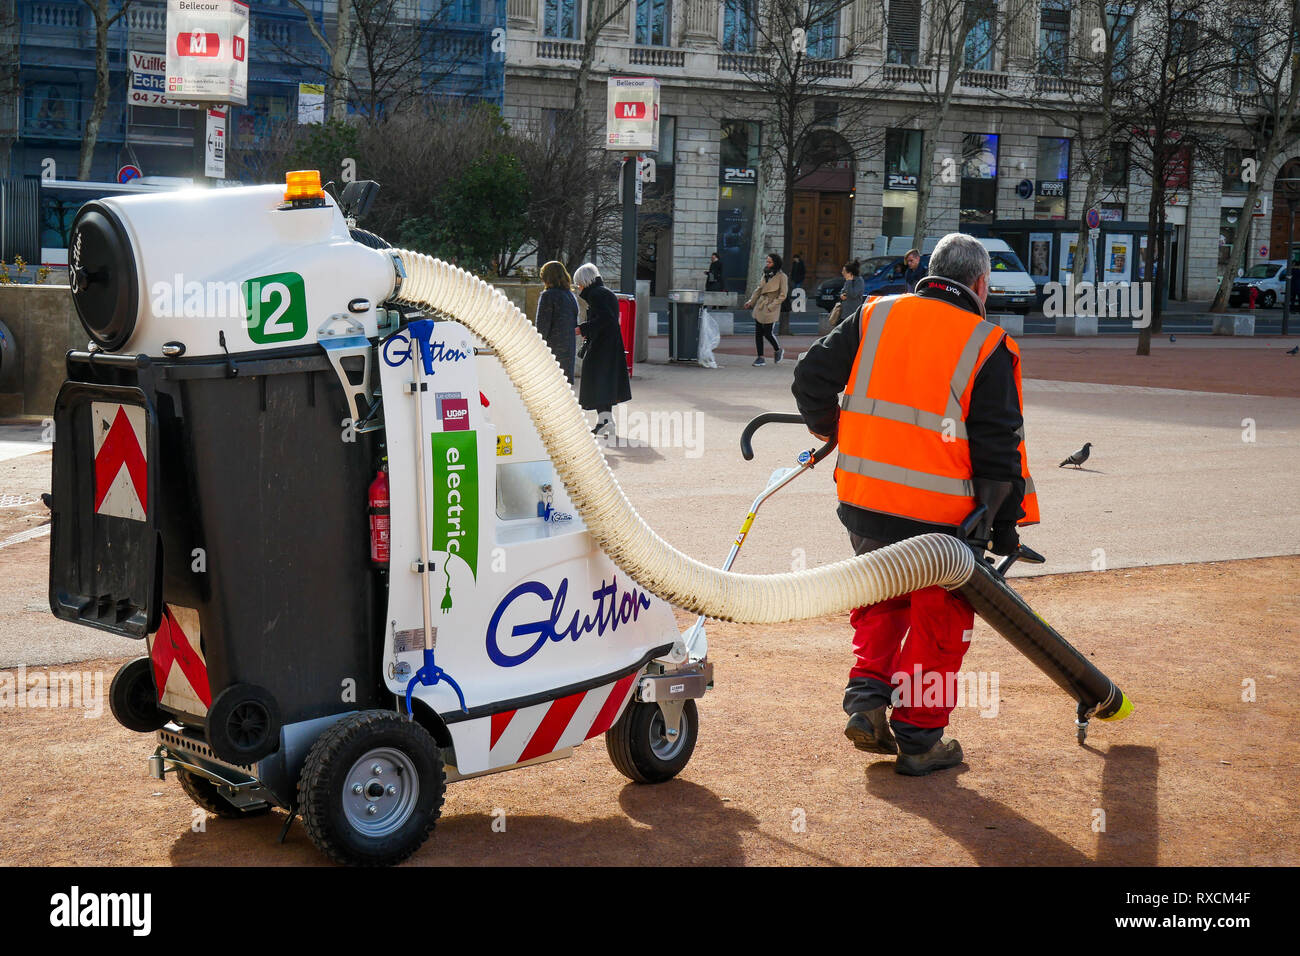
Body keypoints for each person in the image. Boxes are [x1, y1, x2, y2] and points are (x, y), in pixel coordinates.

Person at [791, 233, 1039, 776]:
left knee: (880, 596)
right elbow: (1000, 450)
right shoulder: (987, 343)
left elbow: (809, 378)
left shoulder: (874, 314)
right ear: (979, 285)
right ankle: (921, 738)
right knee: (939, 620)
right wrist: (1001, 527)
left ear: (929, 271)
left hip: (864, 502)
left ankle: (867, 702)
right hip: (942, 520)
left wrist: (834, 430)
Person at [572, 263, 632, 437]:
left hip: (602, 347)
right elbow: (609, 319)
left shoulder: (596, 295)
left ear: (585, 281)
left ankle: (605, 422)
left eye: (579, 283)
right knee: (604, 385)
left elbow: (605, 319)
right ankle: (605, 422)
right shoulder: (603, 292)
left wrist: (583, 329)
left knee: (597, 383)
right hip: (609, 345)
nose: (579, 287)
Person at [535, 260, 580, 385]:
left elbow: (541, 328)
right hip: (568, 349)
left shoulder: (548, 296)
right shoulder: (571, 296)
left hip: (551, 351)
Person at [744, 252, 788, 367]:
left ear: (775, 263)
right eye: (767, 261)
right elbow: (759, 289)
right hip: (760, 305)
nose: (767, 264)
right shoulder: (765, 274)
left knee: (768, 333)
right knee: (758, 332)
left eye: (769, 262)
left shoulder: (782, 277)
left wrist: (772, 305)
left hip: (771, 307)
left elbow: (783, 295)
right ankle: (760, 357)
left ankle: (778, 350)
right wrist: (751, 302)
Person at [838, 259, 865, 326]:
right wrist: (841, 295)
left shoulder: (859, 280)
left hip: (852, 311)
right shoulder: (848, 280)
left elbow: (853, 294)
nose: (842, 273)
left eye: (844, 271)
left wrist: (849, 281)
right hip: (845, 312)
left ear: (850, 273)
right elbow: (843, 291)